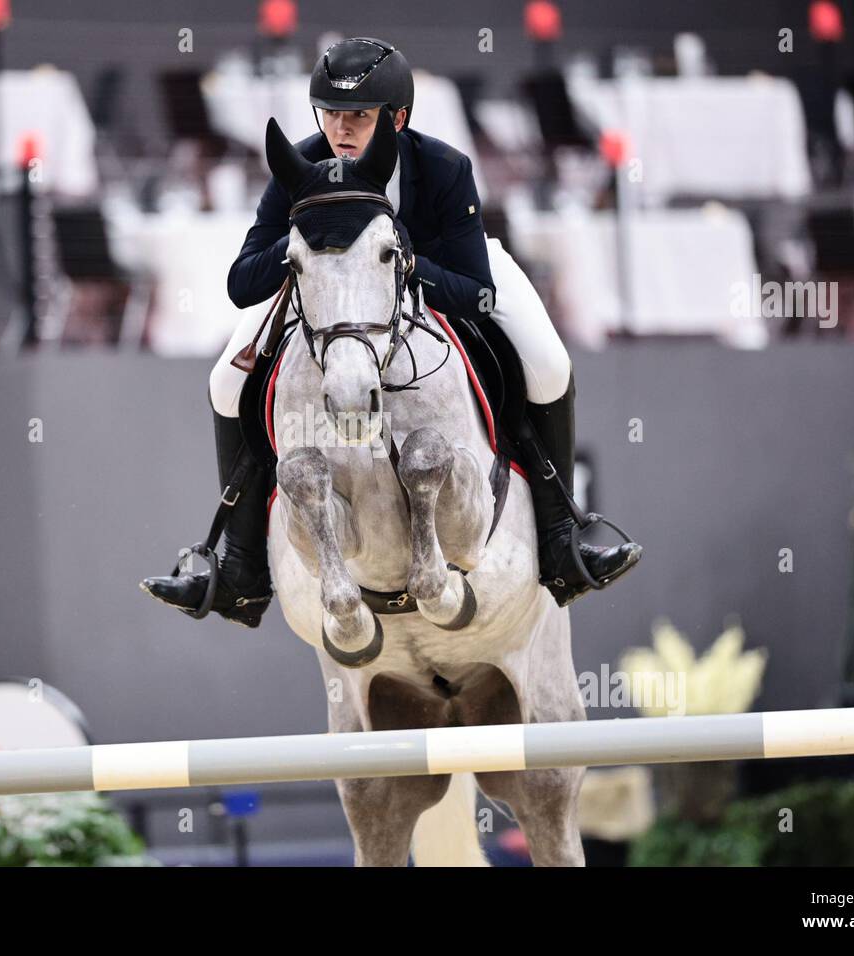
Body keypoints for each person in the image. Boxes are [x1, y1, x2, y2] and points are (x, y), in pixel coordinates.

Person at [142, 37, 641, 627]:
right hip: (324, 289)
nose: (340, 128)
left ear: (397, 117)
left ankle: (562, 537)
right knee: (226, 382)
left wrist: (403, 260)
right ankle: (242, 569)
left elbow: (474, 294)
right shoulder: (298, 169)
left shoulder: (445, 167)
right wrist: (303, 239)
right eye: (329, 113)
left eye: (358, 114)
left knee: (550, 362)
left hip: (441, 269)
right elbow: (241, 283)